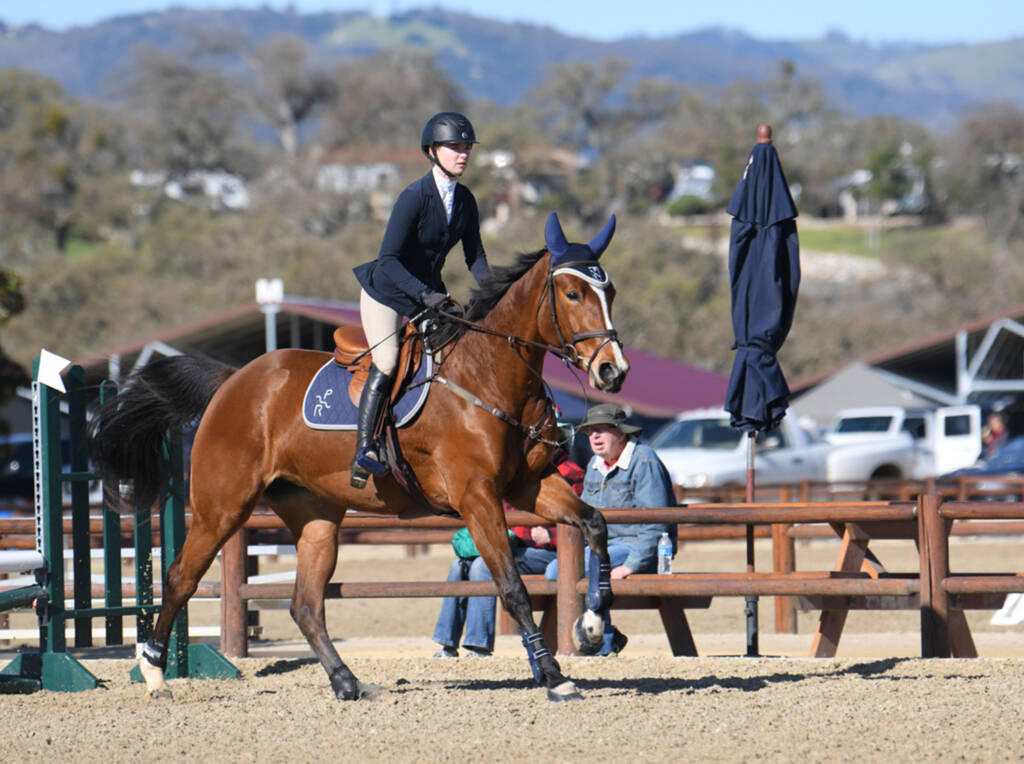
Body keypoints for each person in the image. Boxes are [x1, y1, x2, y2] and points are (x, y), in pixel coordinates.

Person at [349, 111, 491, 489]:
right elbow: (388, 260)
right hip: (387, 291)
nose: (463, 154)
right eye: (455, 147)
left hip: (427, 297)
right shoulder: (413, 197)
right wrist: (426, 294)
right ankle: (366, 448)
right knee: (389, 358)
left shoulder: (465, 200)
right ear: (432, 151)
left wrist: (495, 292)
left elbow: (475, 256)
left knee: (455, 353)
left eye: (466, 148)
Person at [545, 403, 677, 656]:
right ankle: (605, 638)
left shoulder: (644, 460)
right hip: (603, 549)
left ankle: (599, 644)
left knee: (572, 569)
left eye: (602, 430)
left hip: (641, 550)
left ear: (621, 433)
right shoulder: (595, 463)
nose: (594, 437)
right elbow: (587, 516)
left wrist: (631, 565)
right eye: (590, 431)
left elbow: (656, 521)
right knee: (559, 569)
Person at [432, 447, 584, 658]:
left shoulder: (569, 472)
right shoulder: (518, 469)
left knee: (483, 566)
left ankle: (478, 645)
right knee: (459, 565)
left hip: (549, 551)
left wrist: (550, 536)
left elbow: (578, 520)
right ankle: (447, 643)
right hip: (518, 547)